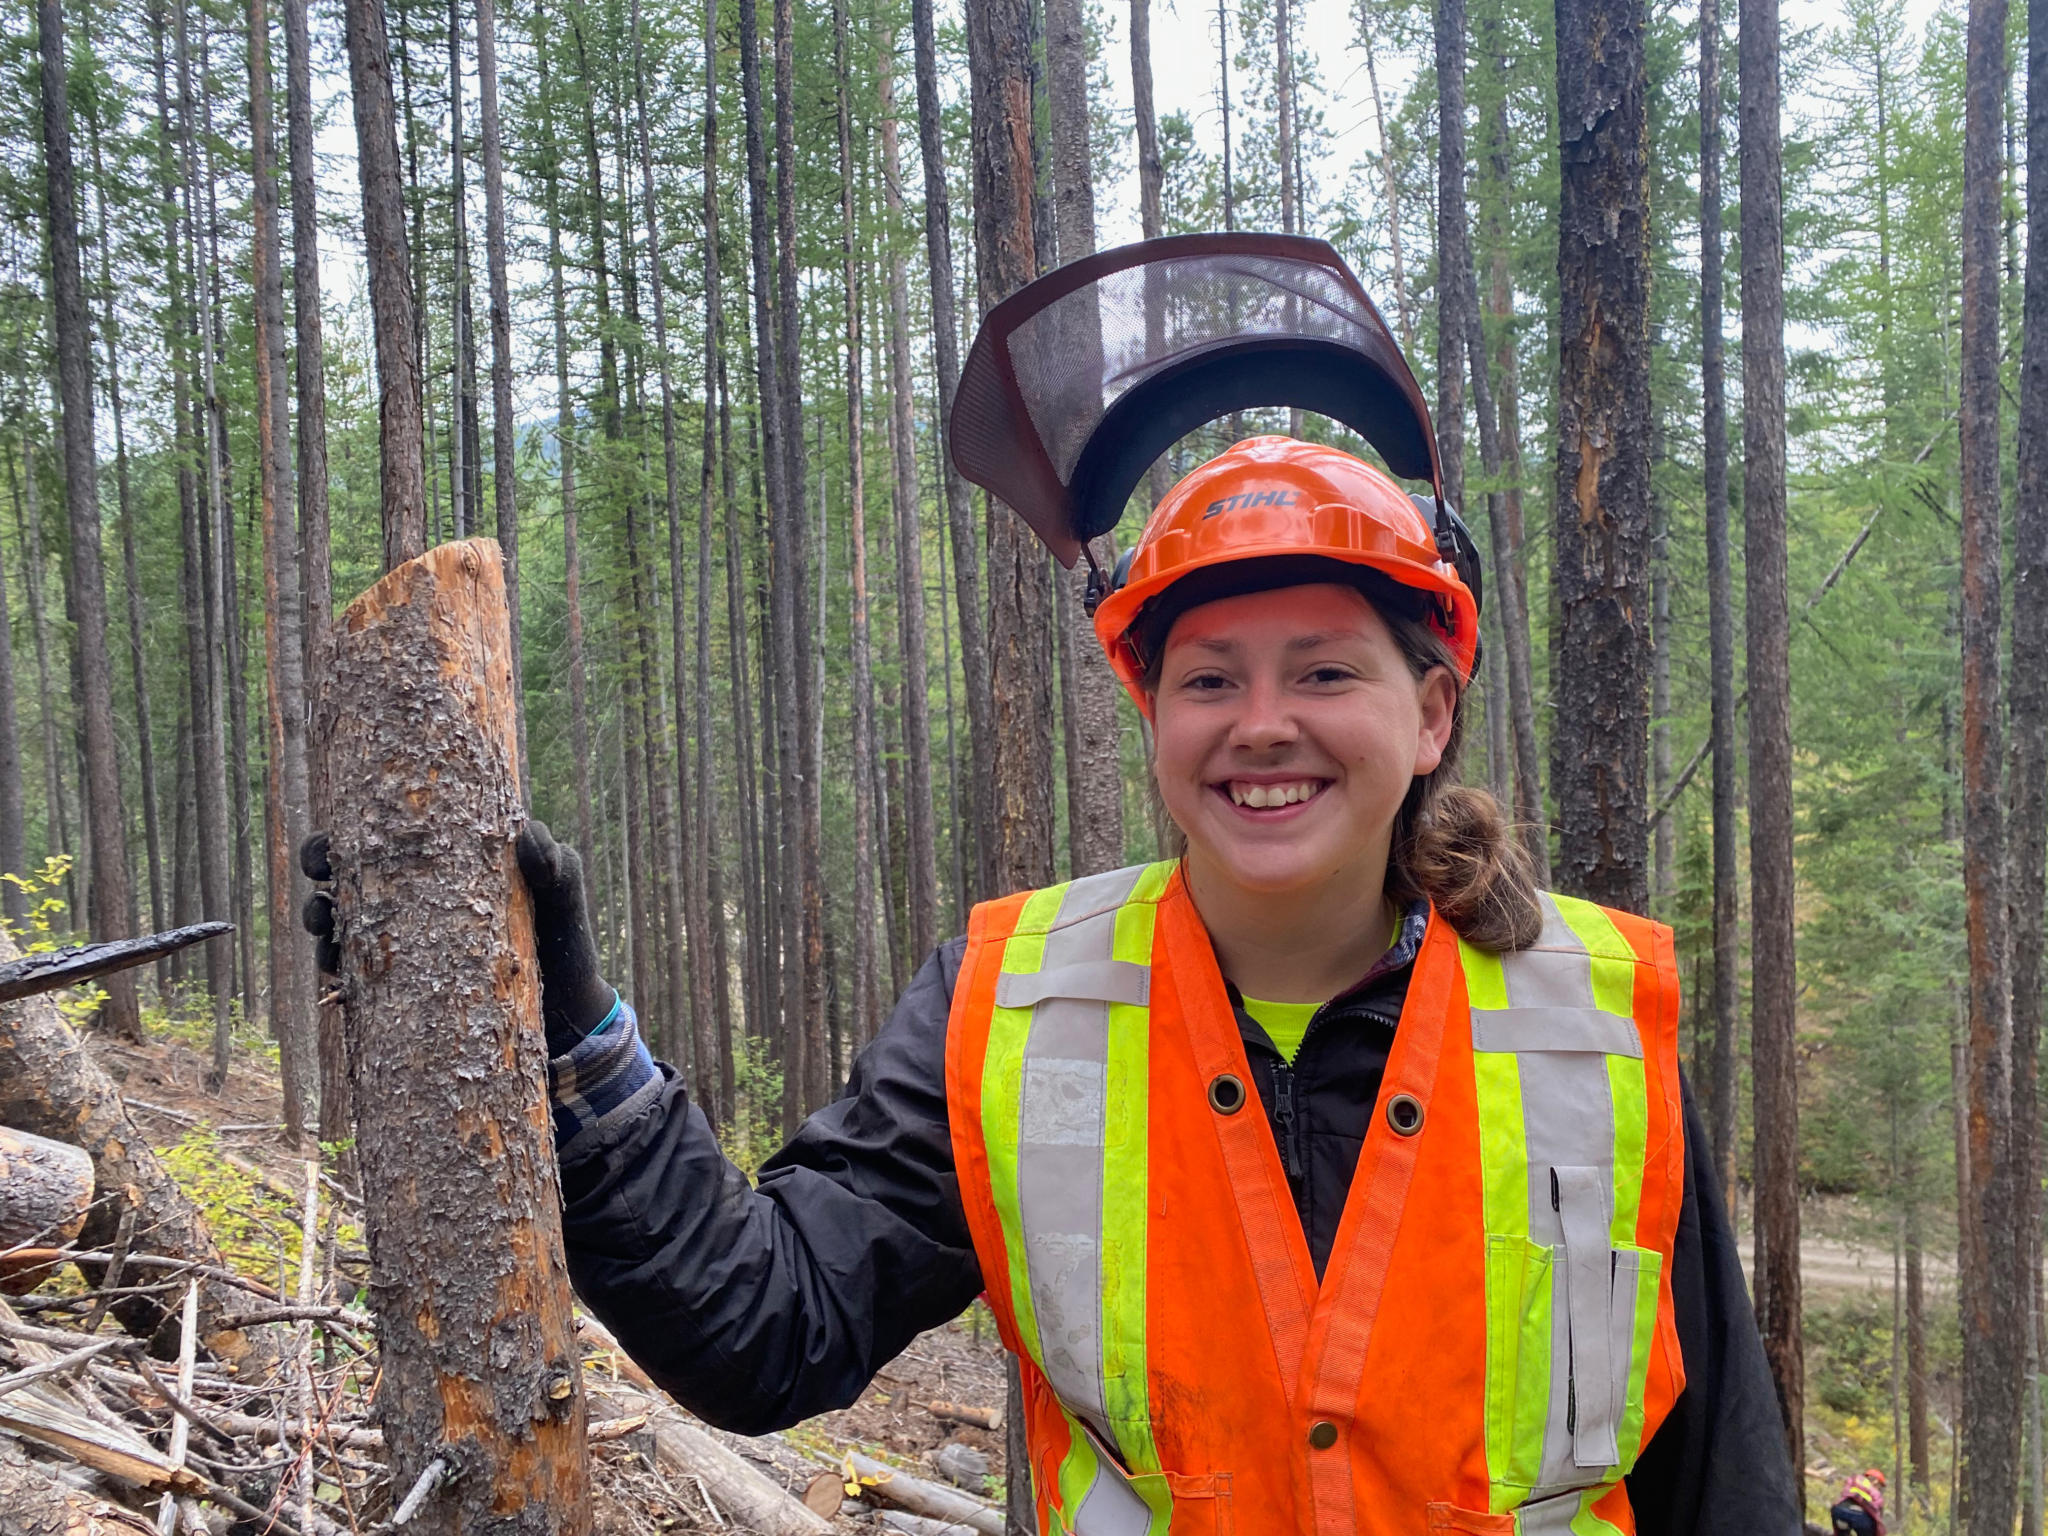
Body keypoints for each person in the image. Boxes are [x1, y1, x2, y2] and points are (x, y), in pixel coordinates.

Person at [307, 237, 1800, 1535]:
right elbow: (767, 1329)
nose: (1262, 722)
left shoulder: (1593, 1022)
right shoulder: (1022, 1007)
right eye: (1210, 676)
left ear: (1431, 712)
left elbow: (1721, 1487)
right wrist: (572, 1042)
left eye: (1326, 670)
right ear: (1152, 713)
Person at [1830, 1469, 1886, 1536]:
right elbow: (1876, 1510)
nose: (1879, 1488)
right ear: (1876, 1482)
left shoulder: (1853, 1479)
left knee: (1842, 1532)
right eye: (1880, 1485)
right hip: (1859, 1517)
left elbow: (1844, 1493)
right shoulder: (1875, 1492)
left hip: (1839, 1511)